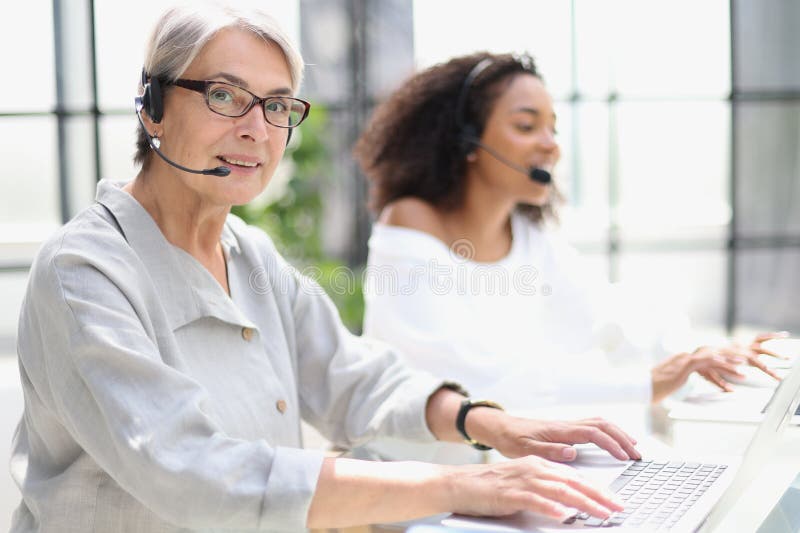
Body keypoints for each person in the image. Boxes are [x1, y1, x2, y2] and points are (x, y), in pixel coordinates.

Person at [9, 7, 644, 532]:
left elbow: (350, 375)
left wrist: (491, 424)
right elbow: (191, 469)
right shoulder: (84, 272)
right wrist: (463, 484)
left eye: (279, 105)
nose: (257, 129)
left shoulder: (248, 251)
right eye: (225, 95)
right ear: (152, 109)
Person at [353, 52, 787, 431]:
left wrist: (702, 357)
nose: (551, 146)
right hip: (423, 479)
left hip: (504, 471)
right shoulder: (411, 222)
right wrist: (647, 383)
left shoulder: (529, 237)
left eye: (554, 129)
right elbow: (471, 377)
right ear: (468, 141)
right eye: (527, 126)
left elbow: (608, 316)